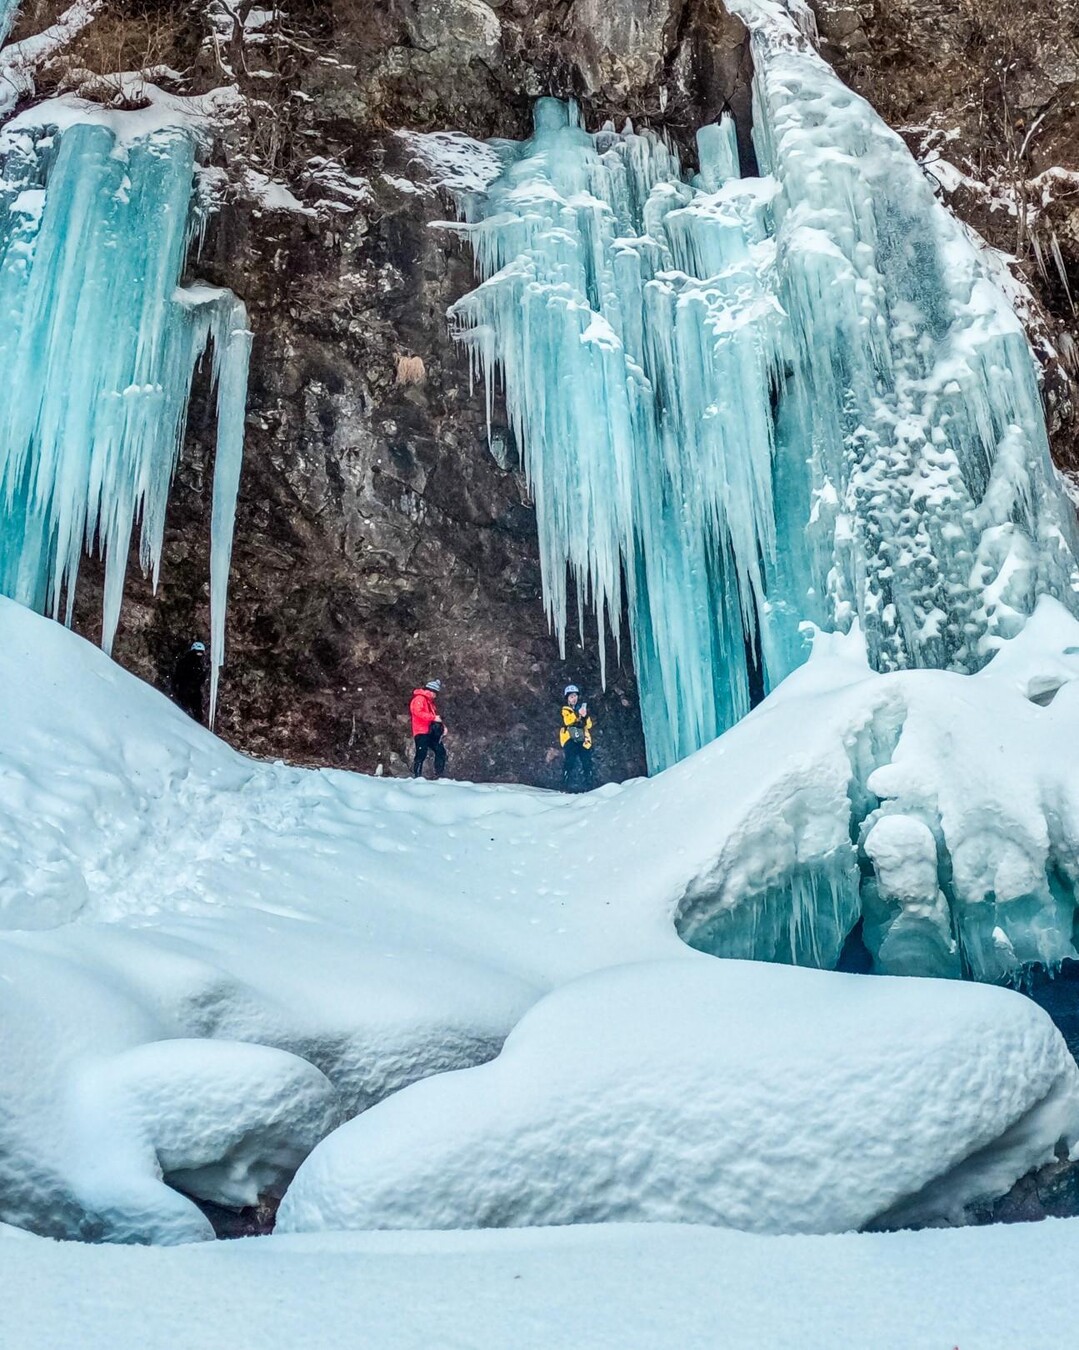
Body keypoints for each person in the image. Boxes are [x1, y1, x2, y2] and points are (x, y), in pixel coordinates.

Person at [559, 684, 594, 792]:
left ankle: (589, 783)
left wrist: (585, 716)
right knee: (570, 760)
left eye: (575, 696)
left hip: (582, 738)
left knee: (586, 760)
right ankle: (565, 783)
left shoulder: (581, 709)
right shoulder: (565, 710)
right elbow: (567, 721)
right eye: (571, 696)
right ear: (567, 698)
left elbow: (589, 725)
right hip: (569, 738)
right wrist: (577, 714)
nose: (574, 699)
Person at [410, 679, 447, 778]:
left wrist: (442, 727)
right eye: (435, 693)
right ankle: (417, 776)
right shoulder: (419, 699)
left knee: (440, 751)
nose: (436, 696)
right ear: (431, 691)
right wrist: (433, 718)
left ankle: (438, 774)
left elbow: (434, 717)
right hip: (421, 731)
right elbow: (417, 712)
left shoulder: (429, 702)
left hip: (430, 732)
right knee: (421, 754)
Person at [172, 640, 208, 724]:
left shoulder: (198, 664)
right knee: (185, 711)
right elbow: (179, 676)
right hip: (185, 690)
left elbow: (199, 680)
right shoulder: (186, 662)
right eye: (198, 653)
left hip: (193, 691)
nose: (199, 655)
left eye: (201, 653)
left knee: (196, 713)